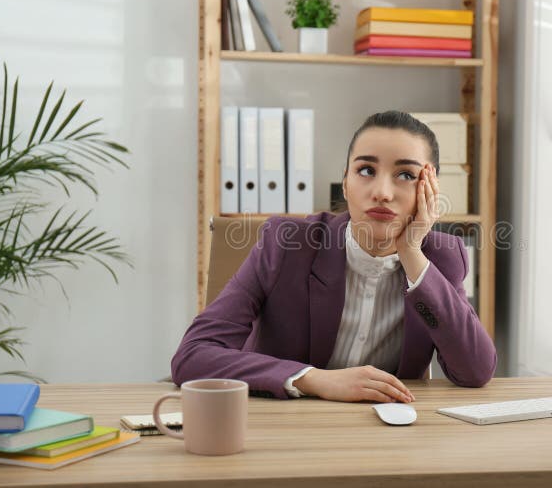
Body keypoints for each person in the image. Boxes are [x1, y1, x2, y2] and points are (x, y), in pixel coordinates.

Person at [171, 110, 496, 401]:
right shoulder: (286, 245)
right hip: (284, 429)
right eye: (366, 170)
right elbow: (193, 355)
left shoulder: (441, 257)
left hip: (388, 440)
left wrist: (411, 252)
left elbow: (475, 370)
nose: (382, 192)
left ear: (430, 191)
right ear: (345, 182)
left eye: (406, 175)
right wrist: (314, 380)